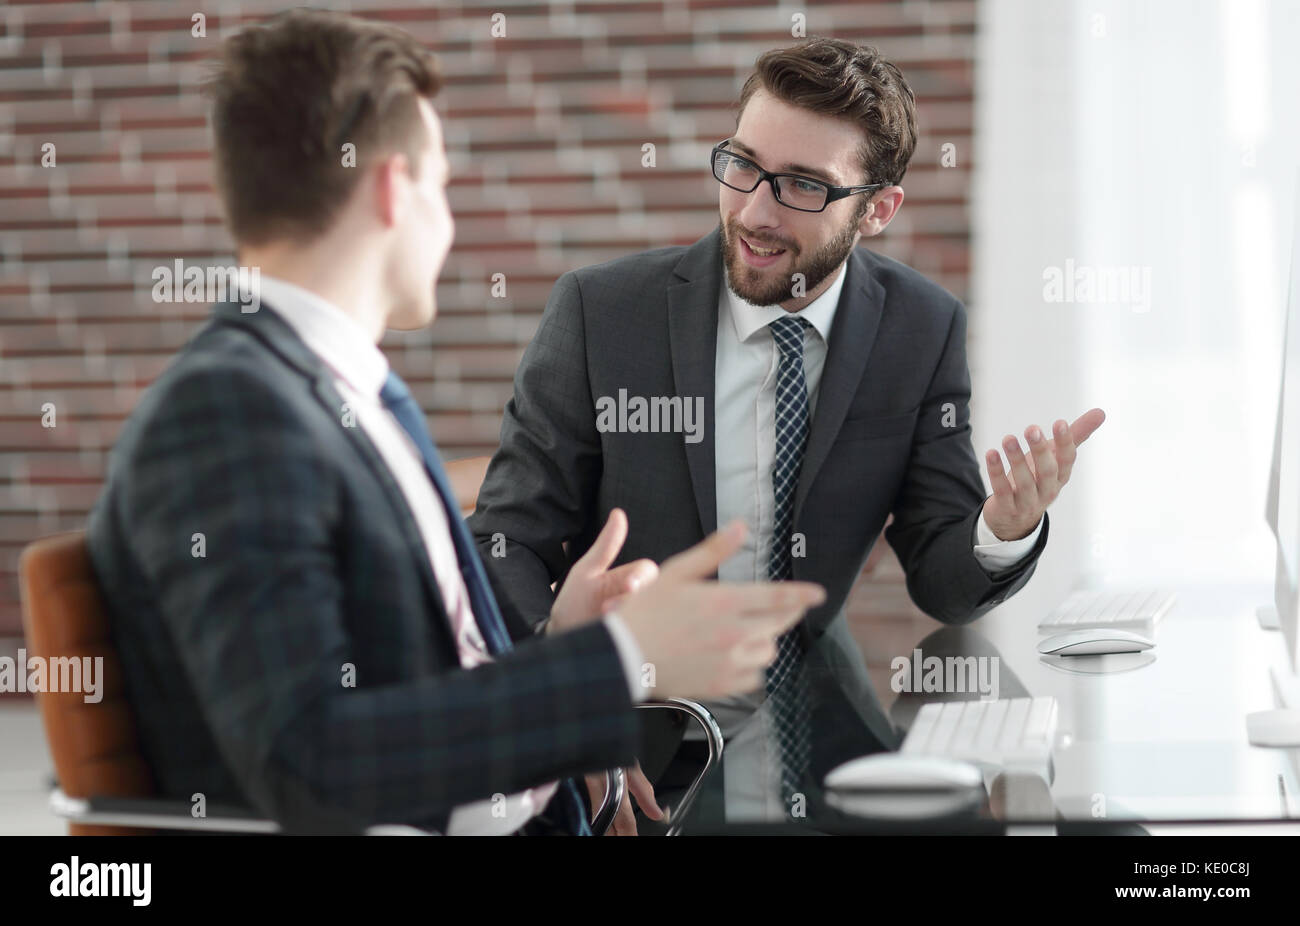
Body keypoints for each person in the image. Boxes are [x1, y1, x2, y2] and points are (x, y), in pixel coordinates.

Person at [84, 9, 824, 836]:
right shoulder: (230, 416)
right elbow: (310, 761)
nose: (452, 221)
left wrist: (566, 642)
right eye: (441, 185)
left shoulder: (334, 395)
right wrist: (613, 665)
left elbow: (413, 681)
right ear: (395, 189)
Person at [469, 37, 1105, 827]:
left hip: (822, 719)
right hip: (638, 730)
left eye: (805, 185)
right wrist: (563, 694)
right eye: (743, 165)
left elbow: (940, 576)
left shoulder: (920, 326)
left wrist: (1002, 529)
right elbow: (506, 542)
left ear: (878, 209)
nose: (757, 212)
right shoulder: (603, 316)